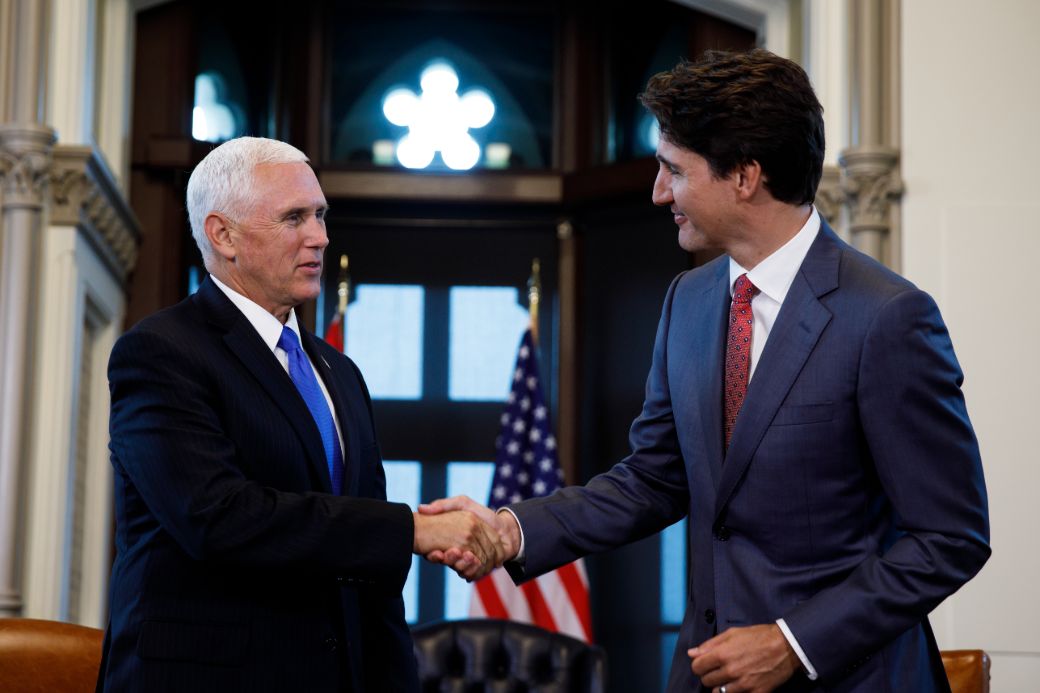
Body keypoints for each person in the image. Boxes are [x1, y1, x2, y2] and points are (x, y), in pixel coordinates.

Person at [423, 49, 990, 692]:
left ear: (744, 176)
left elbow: (949, 538)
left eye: (674, 170)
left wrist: (792, 642)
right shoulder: (688, 301)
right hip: (703, 675)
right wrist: (511, 529)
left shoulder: (887, 317)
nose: (659, 191)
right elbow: (653, 479)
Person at [97, 136, 502, 693]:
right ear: (223, 235)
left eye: (320, 215)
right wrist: (412, 528)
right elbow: (219, 519)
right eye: (294, 218)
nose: (319, 236)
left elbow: (368, 574)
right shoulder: (162, 352)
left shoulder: (339, 372)